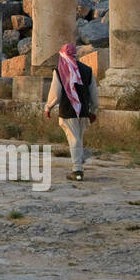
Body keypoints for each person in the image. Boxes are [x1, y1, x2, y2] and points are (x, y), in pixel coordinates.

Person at [44, 43, 99, 182]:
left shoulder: (59, 71)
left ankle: (77, 170)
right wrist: (93, 110)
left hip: (68, 111)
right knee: (78, 138)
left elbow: (56, 94)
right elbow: (94, 93)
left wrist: (48, 107)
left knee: (73, 139)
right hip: (84, 111)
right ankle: (80, 161)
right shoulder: (87, 70)